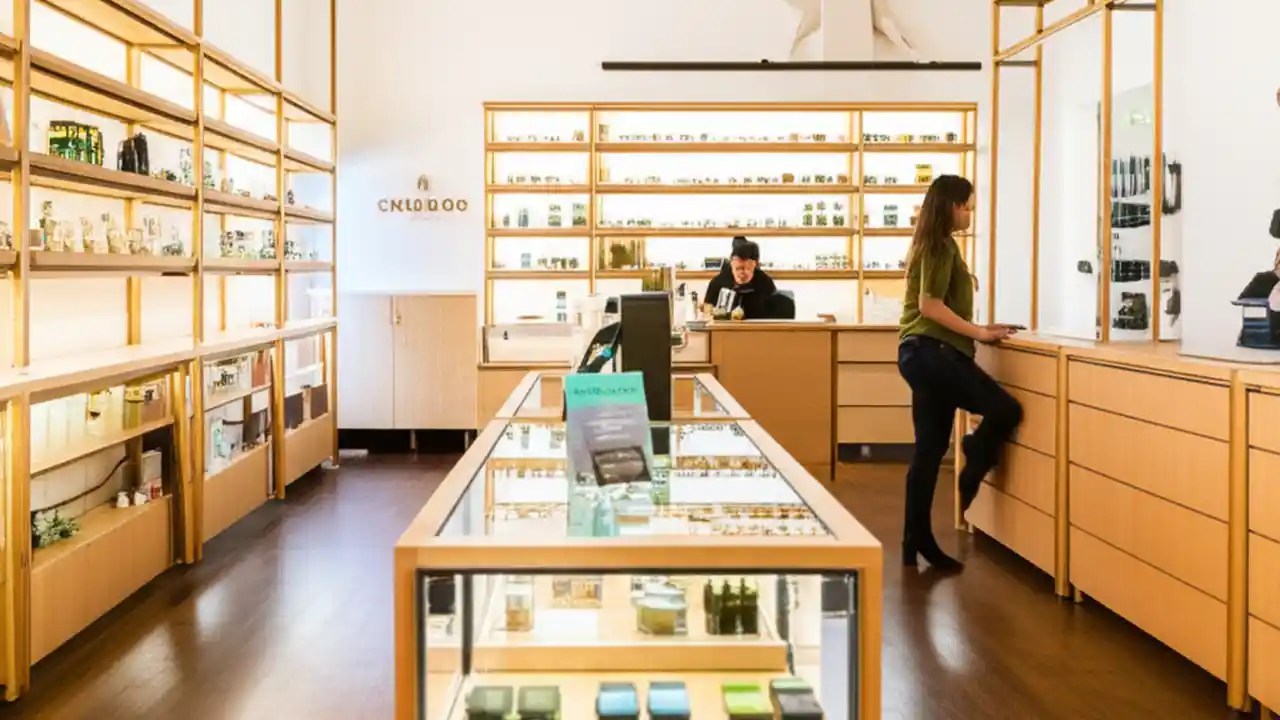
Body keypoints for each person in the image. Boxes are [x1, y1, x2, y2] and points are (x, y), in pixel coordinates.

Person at [897, 175, 1023, 571]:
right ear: (951, 206)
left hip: (920, 354)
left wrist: (980, 329)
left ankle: (915, 541)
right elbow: (930, 306)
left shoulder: (931, 244)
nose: (969, 214)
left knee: (929, 450)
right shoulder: (940, 245)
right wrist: (981, 333)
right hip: (933, 352)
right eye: (966, 206)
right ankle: (974, 454)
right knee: (1005, 410)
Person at [704, 236, 778, 319]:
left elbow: (775, 314)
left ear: (755, 265)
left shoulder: (765, 282)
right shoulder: (718, 282)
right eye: (738, 268)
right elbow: (707, 310)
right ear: (731, 264)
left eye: (747, 269)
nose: (742, 273)